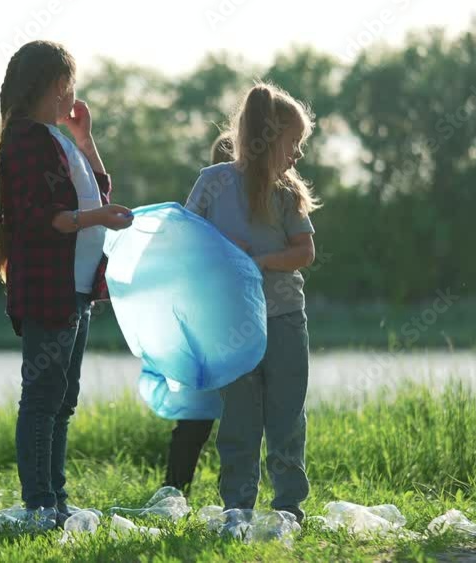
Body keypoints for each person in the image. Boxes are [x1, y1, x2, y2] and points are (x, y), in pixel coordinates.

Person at [0, 40, 134, 526]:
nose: (73, 93)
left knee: (63, 399)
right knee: (42, 398)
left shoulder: (55, 137)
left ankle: (56, 501)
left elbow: (97, 191)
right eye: (70, 84)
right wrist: (98, 217)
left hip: (75, 288)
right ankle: (39, 504)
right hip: (49, 288)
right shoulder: (27, 139)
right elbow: (43, 217)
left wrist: (85, 138)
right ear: (56, 85)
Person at [185, 82, 321, 522]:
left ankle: (287, 507)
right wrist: (223, 255)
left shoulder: (287, 190)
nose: (297, 154)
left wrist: (258, 260)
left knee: (286, 416)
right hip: (231, 325)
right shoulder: (212, 183)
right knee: (240, 420)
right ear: (268, 137)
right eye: (293, 143)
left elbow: (304, 252)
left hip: (283, 320)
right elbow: (187, 240)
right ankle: (237, 508)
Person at [161, 132, 234, 495]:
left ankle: (175, 490)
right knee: (228, 415)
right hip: (214, 325)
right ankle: (227, 495)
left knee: (198, 416)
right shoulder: (216, 211)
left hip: (203, 325)